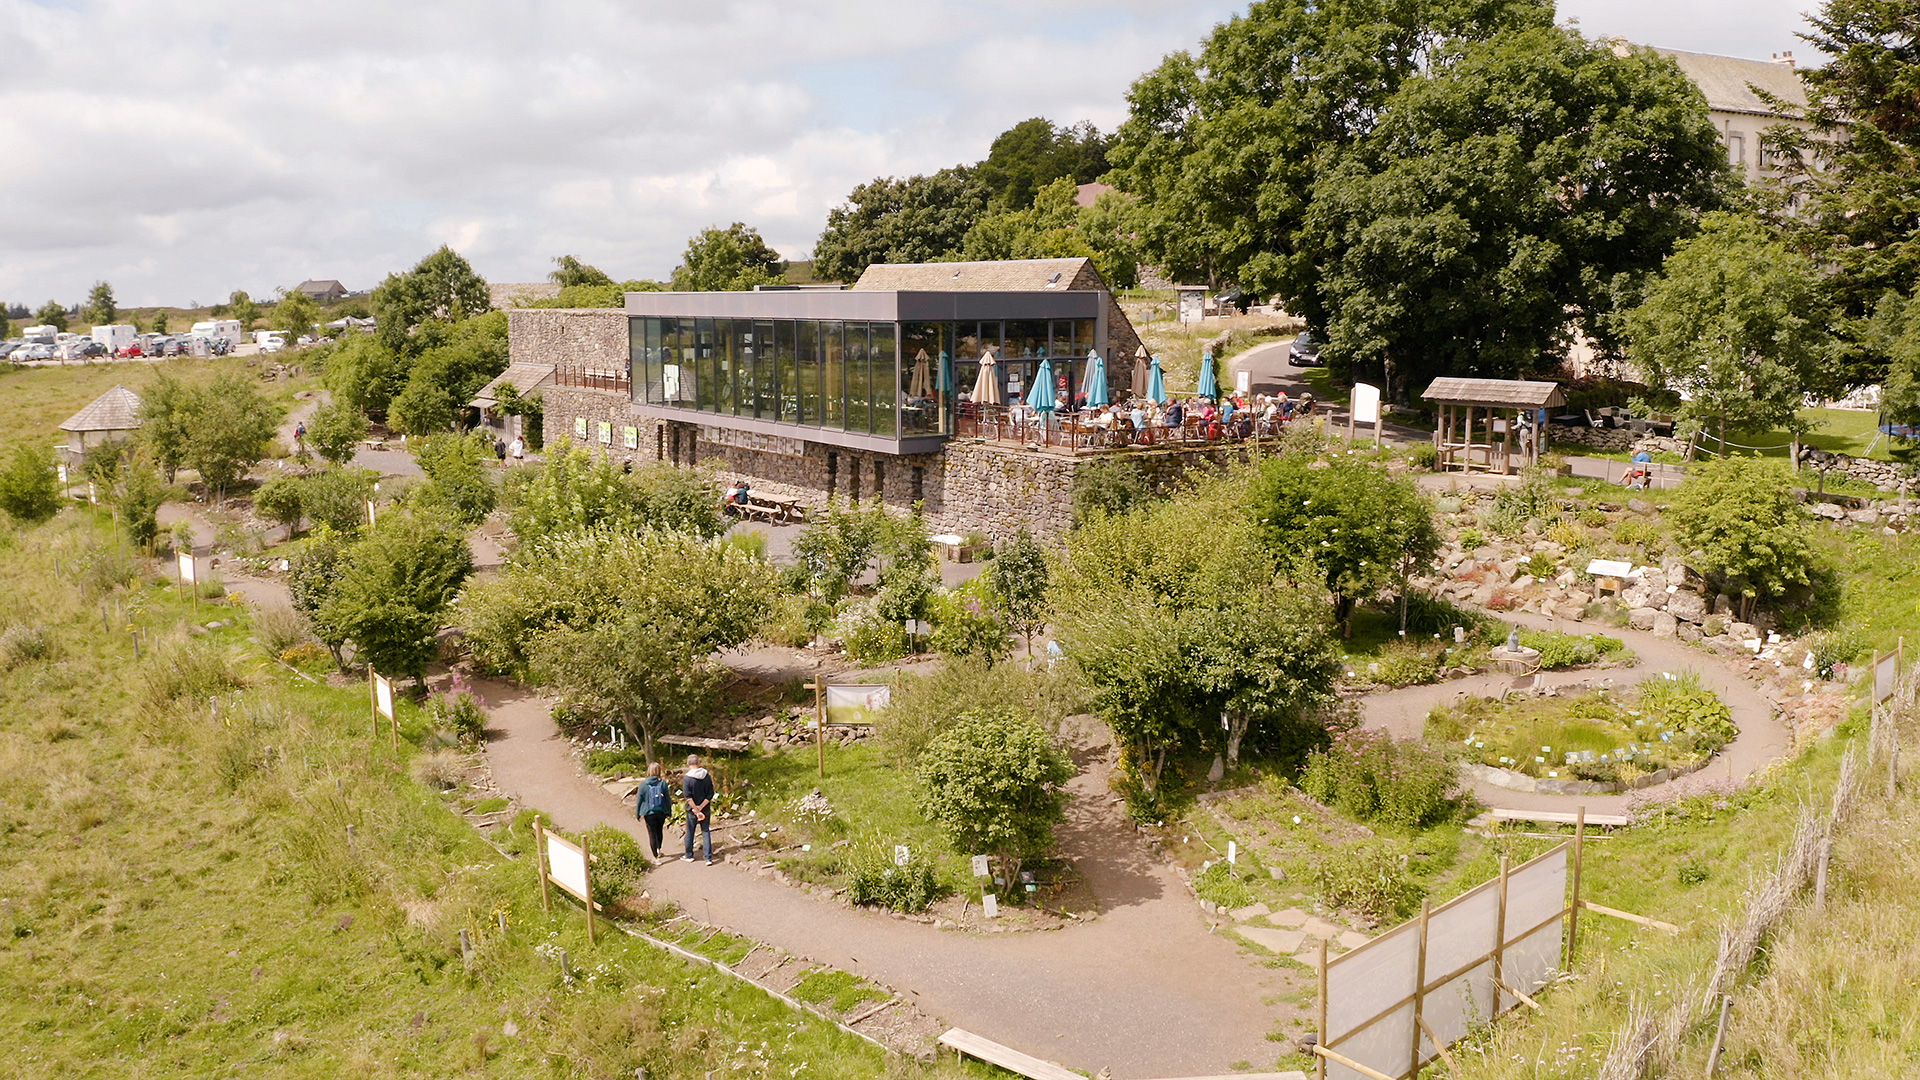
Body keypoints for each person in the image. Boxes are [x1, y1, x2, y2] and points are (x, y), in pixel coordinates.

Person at [681, 754, 715, 864]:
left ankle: (689, 855)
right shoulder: (706, 775)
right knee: (705, 831)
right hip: (705, 808)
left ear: (688, 764)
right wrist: (701, 807)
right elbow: (710, 794)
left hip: (692, 810)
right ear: (699, 763)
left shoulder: (687, 778)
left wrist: (696, 809)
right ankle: (708, 857)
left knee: (690, 832)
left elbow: (688, 797)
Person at [636, 762, 672, 860]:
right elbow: (668, 799)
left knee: (652, 834)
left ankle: (656, 857)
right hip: (661, 812)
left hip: (649, 813)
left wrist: (638, 814)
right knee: (659, 831)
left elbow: (639, 800)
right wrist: (669, 811)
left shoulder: (643, 785)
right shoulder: (663, 783)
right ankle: (659, 849)